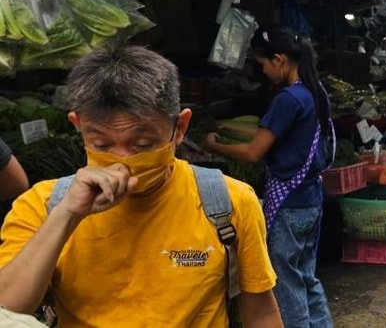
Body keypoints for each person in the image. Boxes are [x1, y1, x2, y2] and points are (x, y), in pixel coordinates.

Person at [0, 45, 281, 327]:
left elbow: (260, 313)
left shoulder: (229, 202)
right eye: (102, 144)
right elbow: (7, 309)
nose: (123, 161)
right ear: (78, 125)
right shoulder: (42, 205)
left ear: (179, 129)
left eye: (143, 144)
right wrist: (67, 214)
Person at [201, 27, 334, 328]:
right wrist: (227, 128)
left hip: (289, 206)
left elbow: (253, 151)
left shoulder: (288, 98)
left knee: (286, 284)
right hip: (311, 201)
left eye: (263, 65)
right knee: (306, 278)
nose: (262, 72)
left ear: (279, 60)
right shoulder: (314, 92)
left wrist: (213, 145)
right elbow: (269, 133)